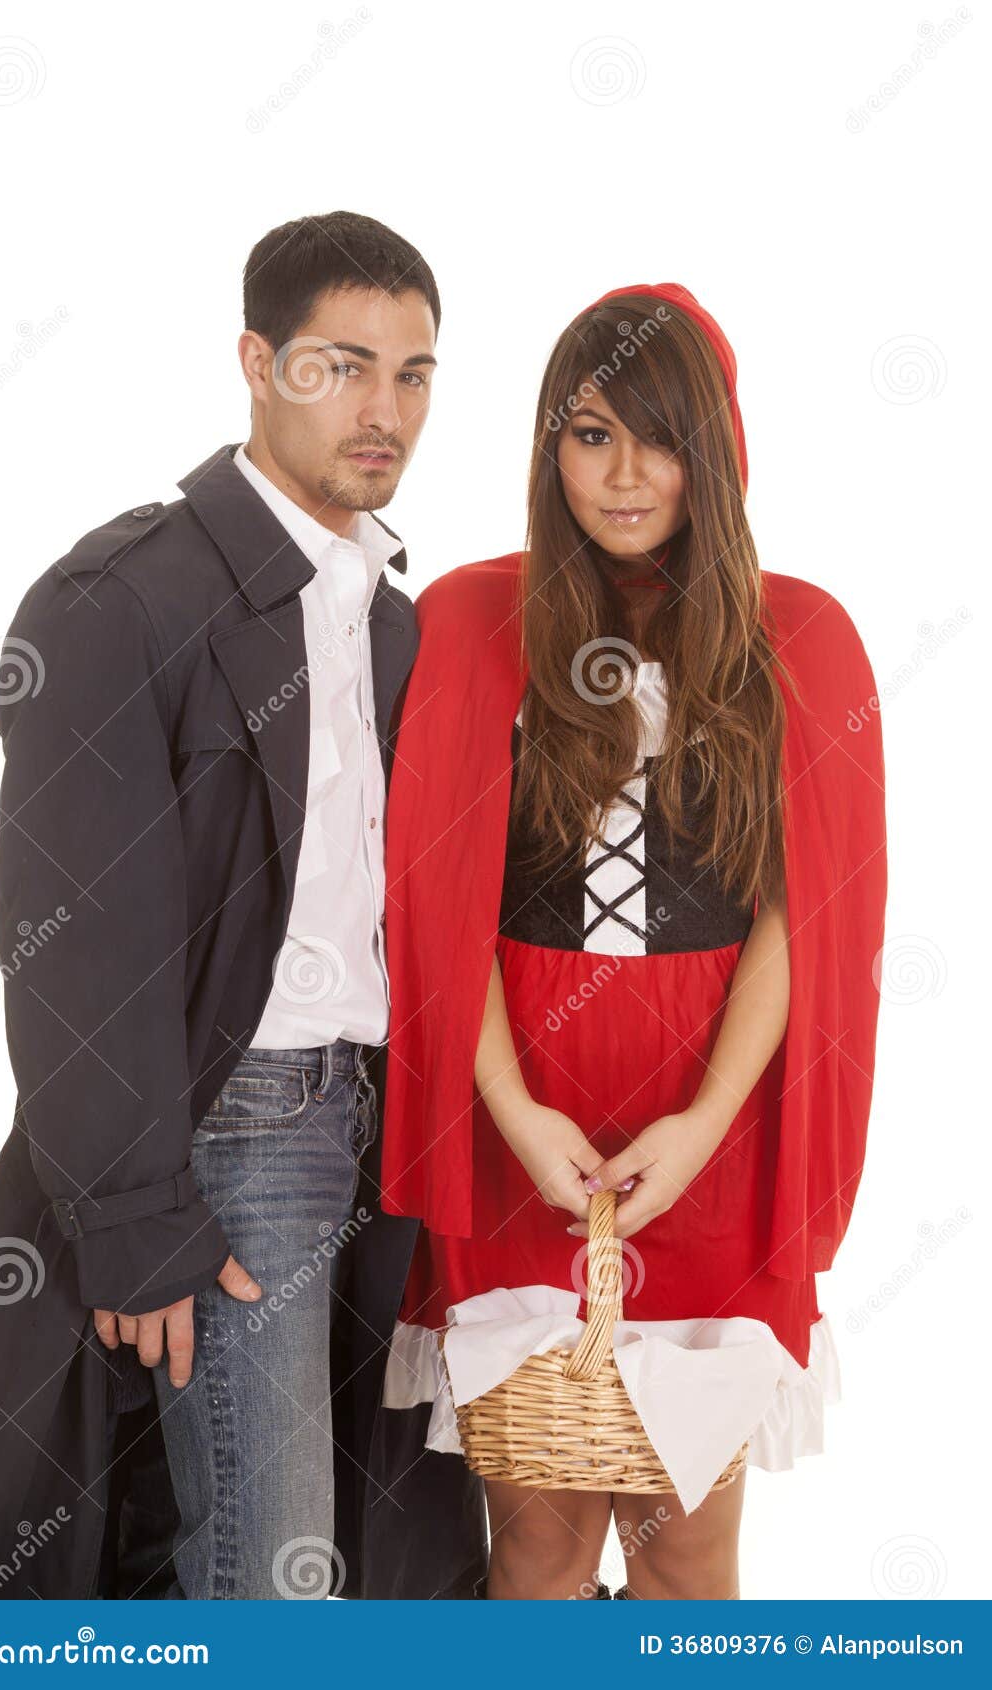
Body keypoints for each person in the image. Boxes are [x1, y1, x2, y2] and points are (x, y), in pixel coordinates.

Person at [0, 210, 437, 1599]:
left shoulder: (396, 620)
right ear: (257, 362)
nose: (384, 408)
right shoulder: (123, 601)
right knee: (273, 1568)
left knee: (374, 1553)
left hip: (382, 1135)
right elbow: (71, 947)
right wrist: (139, 1212)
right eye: (343, 365)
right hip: (238, 1135)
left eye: (414, 372)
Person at [374, 282, 888, 1600]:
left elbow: (806, 914)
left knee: (682, 1543)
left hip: (714, 1149)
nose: (624, 474)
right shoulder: (468, 625)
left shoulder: (803, 638)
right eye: (591, 432)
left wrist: (710, 1117)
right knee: (537, 1543)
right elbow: (439, 909)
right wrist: (512, 1105)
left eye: (659, 438)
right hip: (516, 1146)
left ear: (713, 448)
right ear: (550, 446)